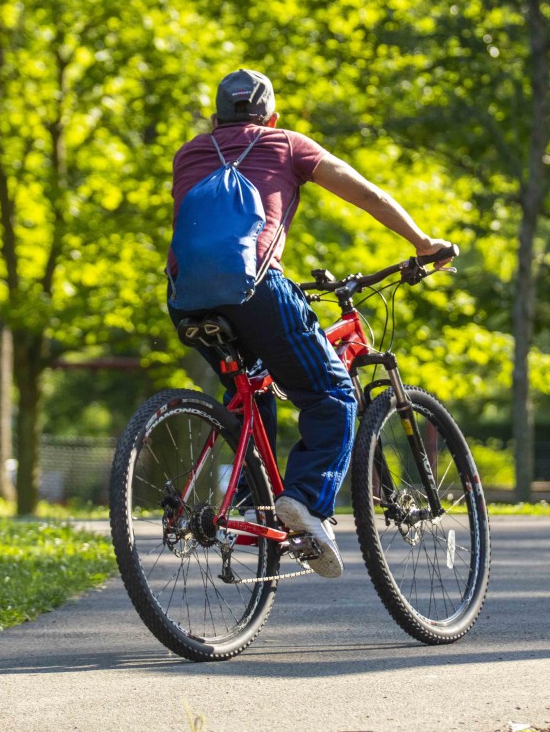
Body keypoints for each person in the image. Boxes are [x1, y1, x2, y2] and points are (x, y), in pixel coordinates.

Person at [167, 69, 451, 578]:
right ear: (271, 117)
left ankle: (258, 505)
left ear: (215, 118)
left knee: (251, 390)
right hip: (255, 288)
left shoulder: (189, 153)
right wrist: (422, 242)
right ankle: (306, 503)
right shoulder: (286, 144)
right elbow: (365, 193)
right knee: (334, 395)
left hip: (184, 297)